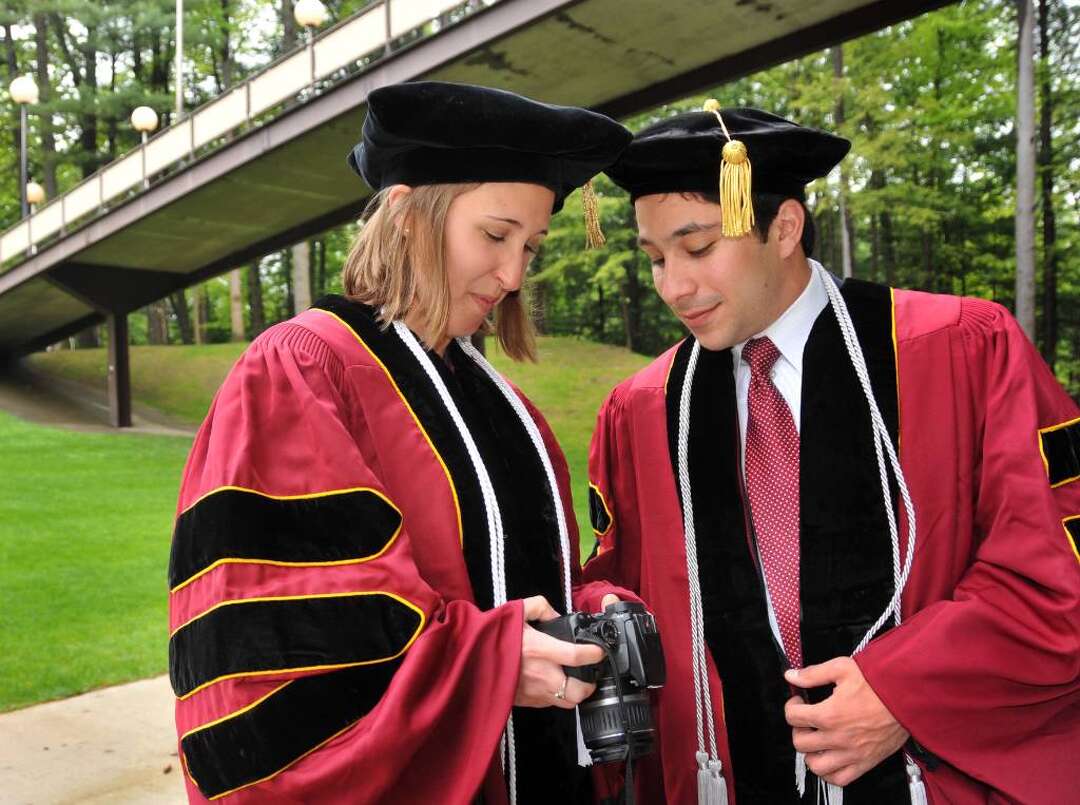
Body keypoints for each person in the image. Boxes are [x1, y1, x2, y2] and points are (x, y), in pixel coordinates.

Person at [582, 105, 1080, 804]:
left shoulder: (961, 349)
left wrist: (906, 691)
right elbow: (619, 590)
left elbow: (1053, 569)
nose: (673, 286)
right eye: (657, 258)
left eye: (697, 249)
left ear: (784, 227)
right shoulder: (641, 409)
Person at [167, 81, 638, 804]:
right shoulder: (302, 368)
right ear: (407, 216)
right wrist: (486, 665)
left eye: (531, 246)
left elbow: (526, 587)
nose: (514, 275)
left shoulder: (503, 403)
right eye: (495, 234)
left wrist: (595, 610)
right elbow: (290, 629)